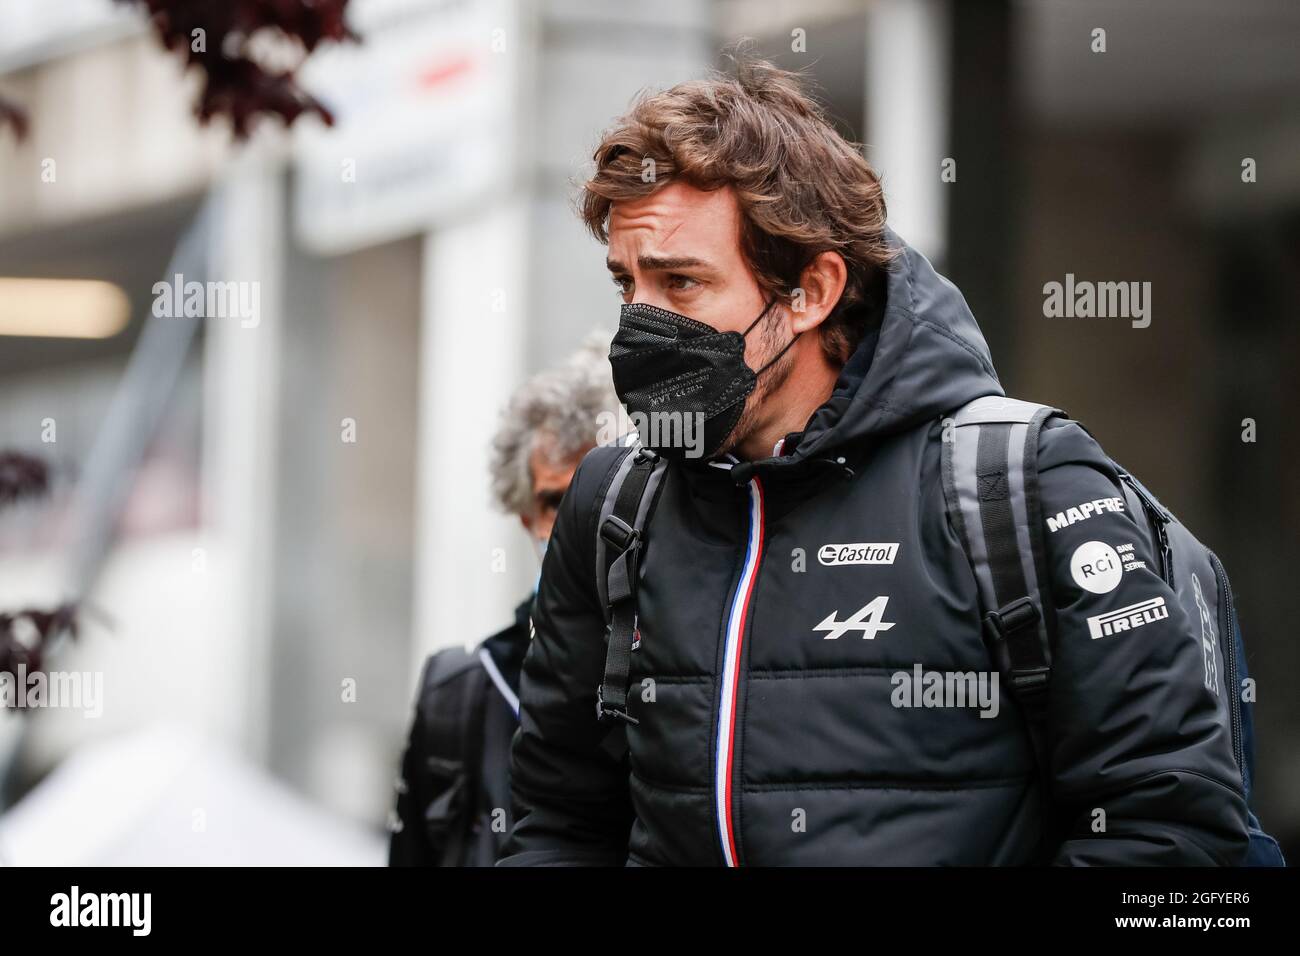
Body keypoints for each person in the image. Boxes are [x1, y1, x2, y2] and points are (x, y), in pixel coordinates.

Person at [500, 59, 1250, 866]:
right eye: (627, 286)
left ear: (813, 289)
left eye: (682, 283)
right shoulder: (615, 509)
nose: (639, 326)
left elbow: (1174, 836)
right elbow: (559, 826)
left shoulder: (1019, 489)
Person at [388, 335, 619, 866]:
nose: (574, 522)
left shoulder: (695, 665)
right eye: (556, 500)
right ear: (525, 516)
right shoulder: (461, 692)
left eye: (599, 491)